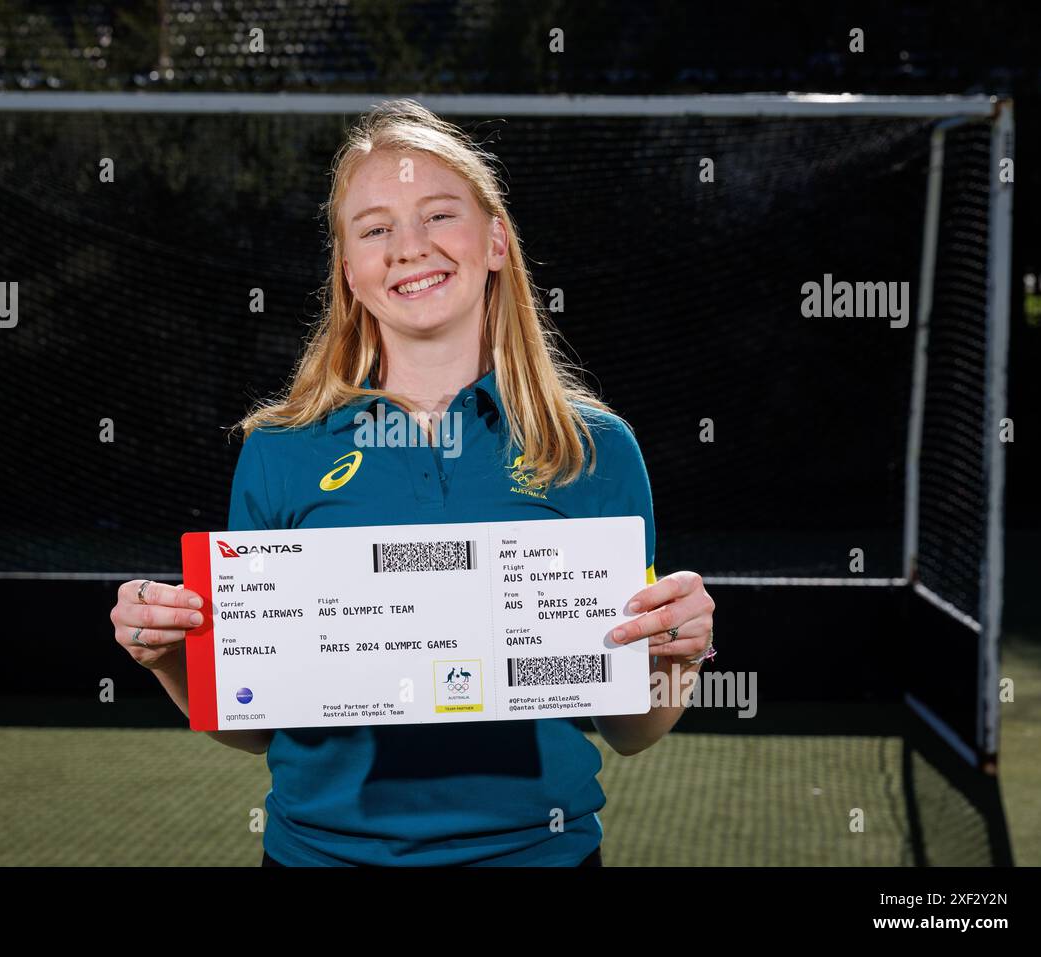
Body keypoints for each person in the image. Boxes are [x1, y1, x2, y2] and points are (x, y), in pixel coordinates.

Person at [109, 99, 716, 867]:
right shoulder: (278, 449)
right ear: (349, 271)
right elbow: (256, 718)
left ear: (496, 240)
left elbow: (630, 727)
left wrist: (675, 656)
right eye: (374, 228)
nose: (408, 247)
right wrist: (168, 655)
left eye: (438, 214)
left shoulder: (594, 447)